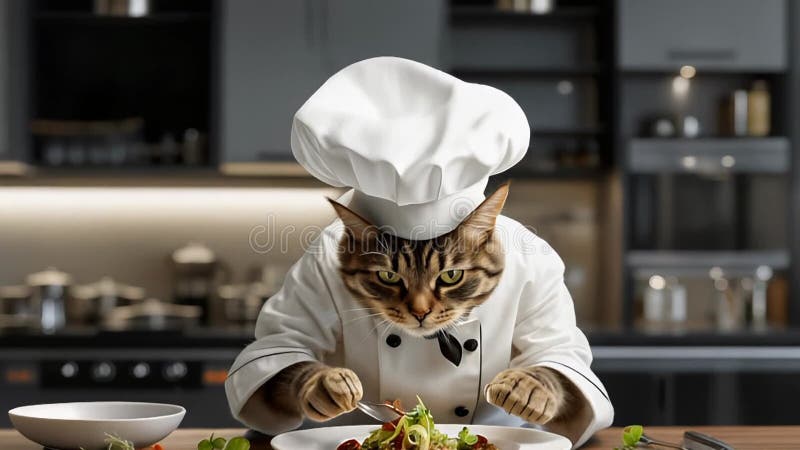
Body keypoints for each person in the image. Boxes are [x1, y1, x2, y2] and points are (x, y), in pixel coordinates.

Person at [225, 57, 613, 448]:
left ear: (486, 231)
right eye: (390, 277)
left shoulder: (528, 255)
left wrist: (544, 386)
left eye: (450, 276)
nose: (420, 307)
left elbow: (561, 353)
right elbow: (279, 348)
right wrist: (306, 382)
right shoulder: (331, 252)